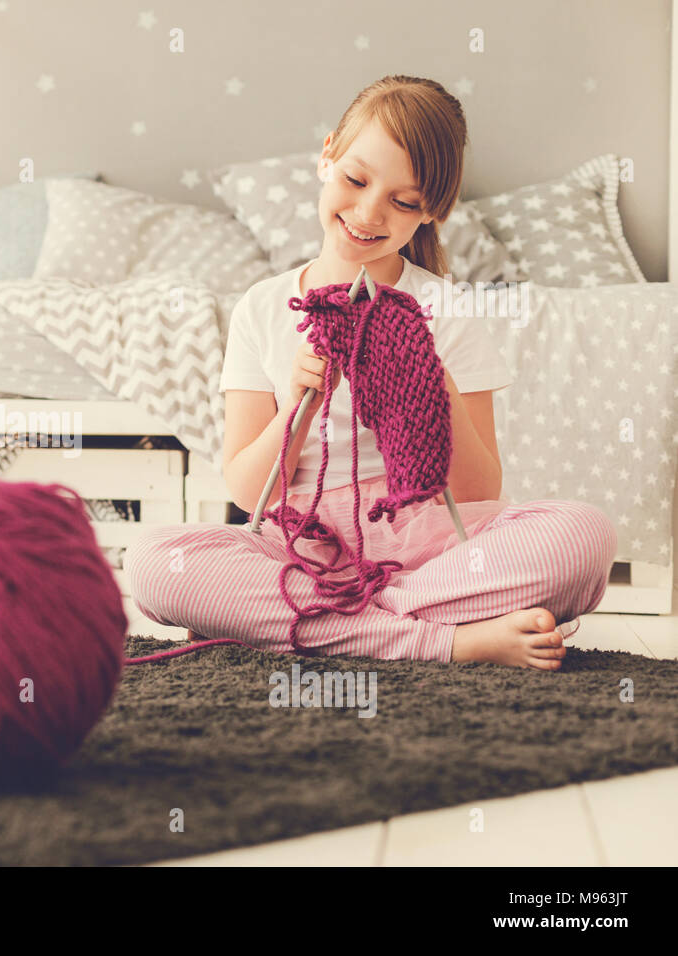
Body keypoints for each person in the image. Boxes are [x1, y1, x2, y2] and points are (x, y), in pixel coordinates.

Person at [125, 75, 617, 669]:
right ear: (327, 154)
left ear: (431, 213)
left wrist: (426, 375)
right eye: (356, 180)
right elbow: (247, 491)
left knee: (584, 535)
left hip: (427, 544)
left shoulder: (446, 309)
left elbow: (478, 491)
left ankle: (336, 623)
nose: (367, 212)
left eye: (403, 202)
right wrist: (298, 405)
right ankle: (449, 640)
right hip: (304, 547)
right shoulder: (262, 307)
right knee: (154, 563)